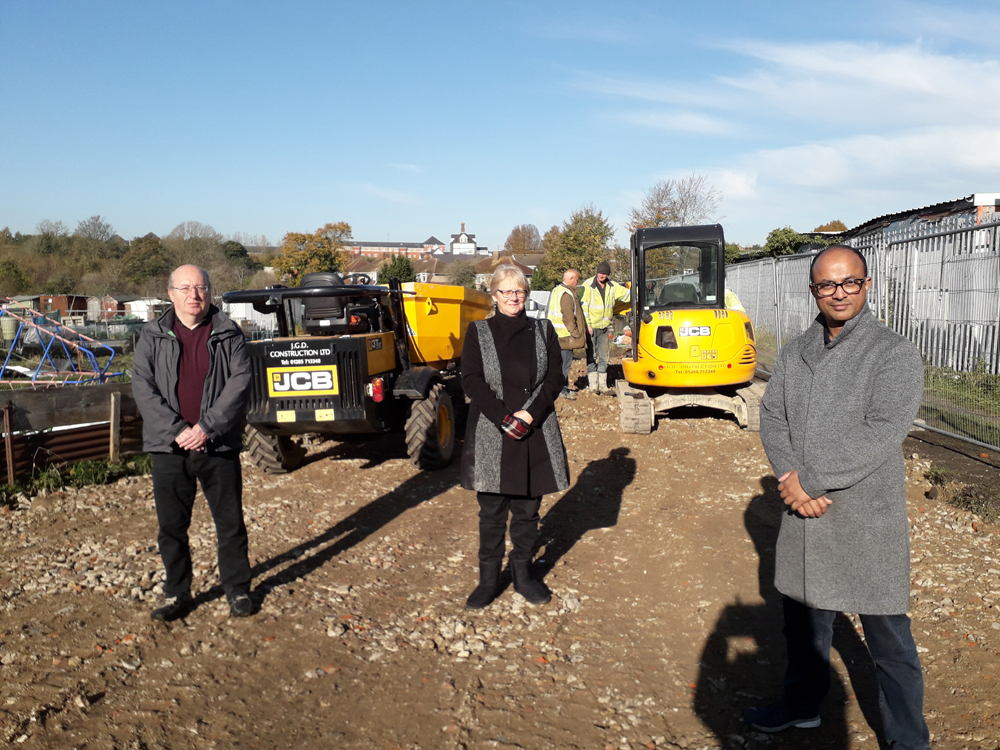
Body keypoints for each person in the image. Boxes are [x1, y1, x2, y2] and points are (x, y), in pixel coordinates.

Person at [749, 246, 929, 747]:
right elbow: (773, 417)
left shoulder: (892, 352)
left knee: (889, 643)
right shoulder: (796, 349)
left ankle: (908, 740)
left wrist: (811, 481)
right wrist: (790, 476)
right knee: (804, 630)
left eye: (849, 282)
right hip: (805, 516)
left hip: (864, 518)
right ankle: (802, 706)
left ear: (866, 285)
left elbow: (883, 430)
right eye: (827, 285)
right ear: (814, 292)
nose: (838, 293)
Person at [132, 265, 255, 621]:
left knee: (230, 523)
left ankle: (237, 591)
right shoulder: (151, 335)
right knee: (171, 526)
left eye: (200, 288)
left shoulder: (229, 333)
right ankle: (177, 593)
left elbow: (240, 383)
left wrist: (206, 428)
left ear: (210, 292)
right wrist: (177, 430)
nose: (193, 296)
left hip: (218, 445)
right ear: (170, 294)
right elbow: (143, 387)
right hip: (168, 448)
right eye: (185, 288)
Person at [460, 265, 570, 609]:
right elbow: (471, 379)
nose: (513, 297)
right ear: (494, 295)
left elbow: (555, 376)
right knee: (491, 513)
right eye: (505, 291)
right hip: (493, 430)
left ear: (526, 294)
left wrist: (530, 413)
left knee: (527, 512)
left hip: (534, 429)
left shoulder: (543, 329)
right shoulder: (478, 332)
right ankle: (488, 581)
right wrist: (503, 417)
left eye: (519, 291)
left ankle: (523, 576)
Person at [580, 261, 629, 394]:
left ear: (608, 274)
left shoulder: (612, 286)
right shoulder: (588, 285)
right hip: (592, 327)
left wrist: (640, 290)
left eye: (604, 273)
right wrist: (587, 325)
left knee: (604, 356)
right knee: (591, 355)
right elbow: (584, 307)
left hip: (605, 327)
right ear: (597, 273)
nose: (602, 275)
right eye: (600, 273)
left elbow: (627, 295)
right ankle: (593, 385)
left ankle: (602, 385)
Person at [545, 268, 586, 400]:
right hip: (564, 336)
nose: (577, 282)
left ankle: (560, 388)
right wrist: (575, 333)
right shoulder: (566, 294)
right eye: (576, 279)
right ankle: (561, 390)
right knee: (564, 364)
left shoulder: (557, 290)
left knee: (557, 363)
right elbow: (568, 316)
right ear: (571, 279)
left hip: (554, 334)